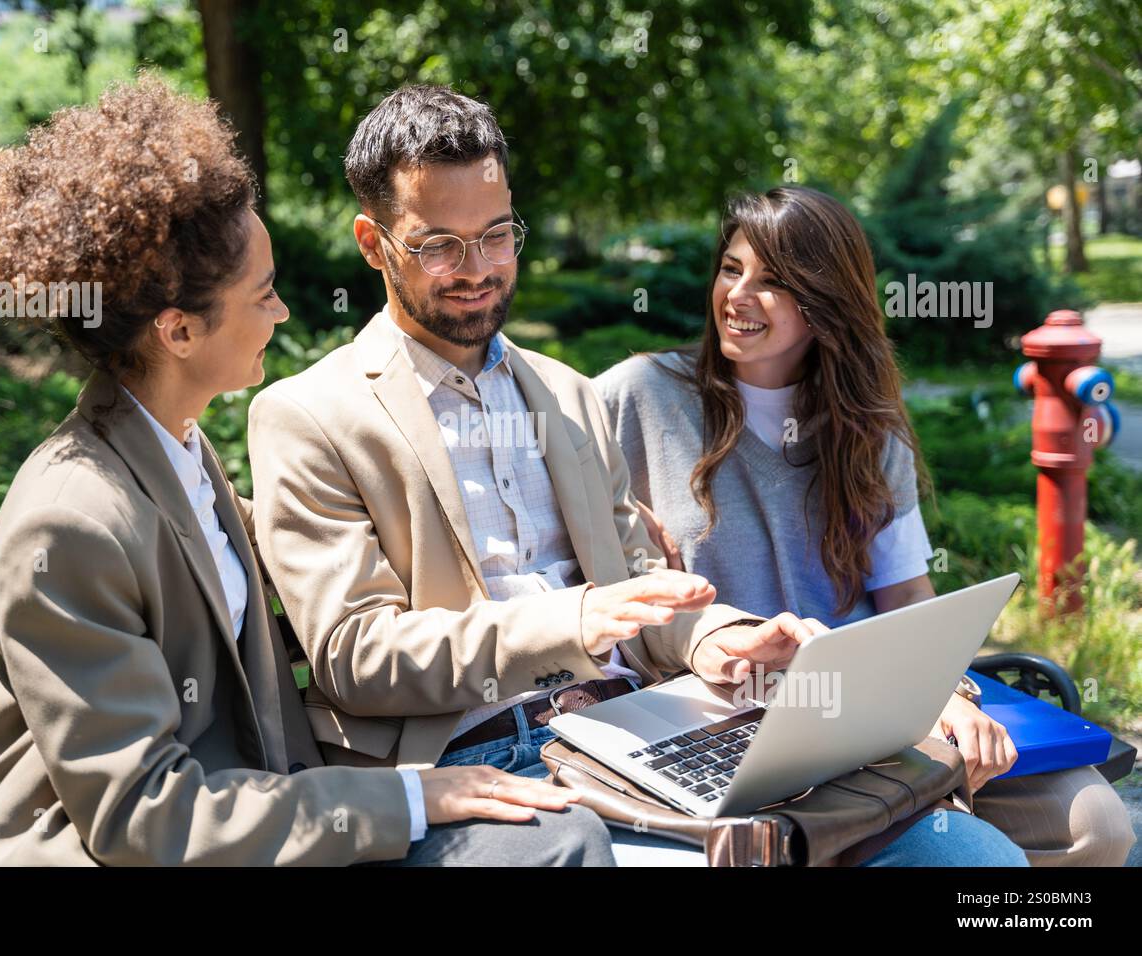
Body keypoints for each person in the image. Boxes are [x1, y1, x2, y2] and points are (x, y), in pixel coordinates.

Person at [247, 86, 1029, 866]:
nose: (477, 269)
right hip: (469, 761)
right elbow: (356, 656)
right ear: (373, 242)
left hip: (642, 727)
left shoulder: (566, 394)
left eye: (494, 235)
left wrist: (727, 641)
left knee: (977, 863)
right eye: (438, 246)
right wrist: (578, 620)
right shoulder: (311, 414)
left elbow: (645, 591)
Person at [0, 75, 614, 867]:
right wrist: (408, 796)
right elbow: (143, 817)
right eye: (264, 294)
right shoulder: (72, 520)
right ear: (179, 331)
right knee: (559, 848)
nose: (285, 313)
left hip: (252, 822)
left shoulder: (178, 454)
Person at [594, 185, 1135, 867]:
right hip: (716, 721)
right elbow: (600, 578)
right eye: (732, 270)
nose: (738, 295)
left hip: (869, 715)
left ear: (824, 302)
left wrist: (944, 696)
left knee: (1098, 828)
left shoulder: (868, 429)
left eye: (772, 281)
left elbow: (907, 598)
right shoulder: (633, 398)